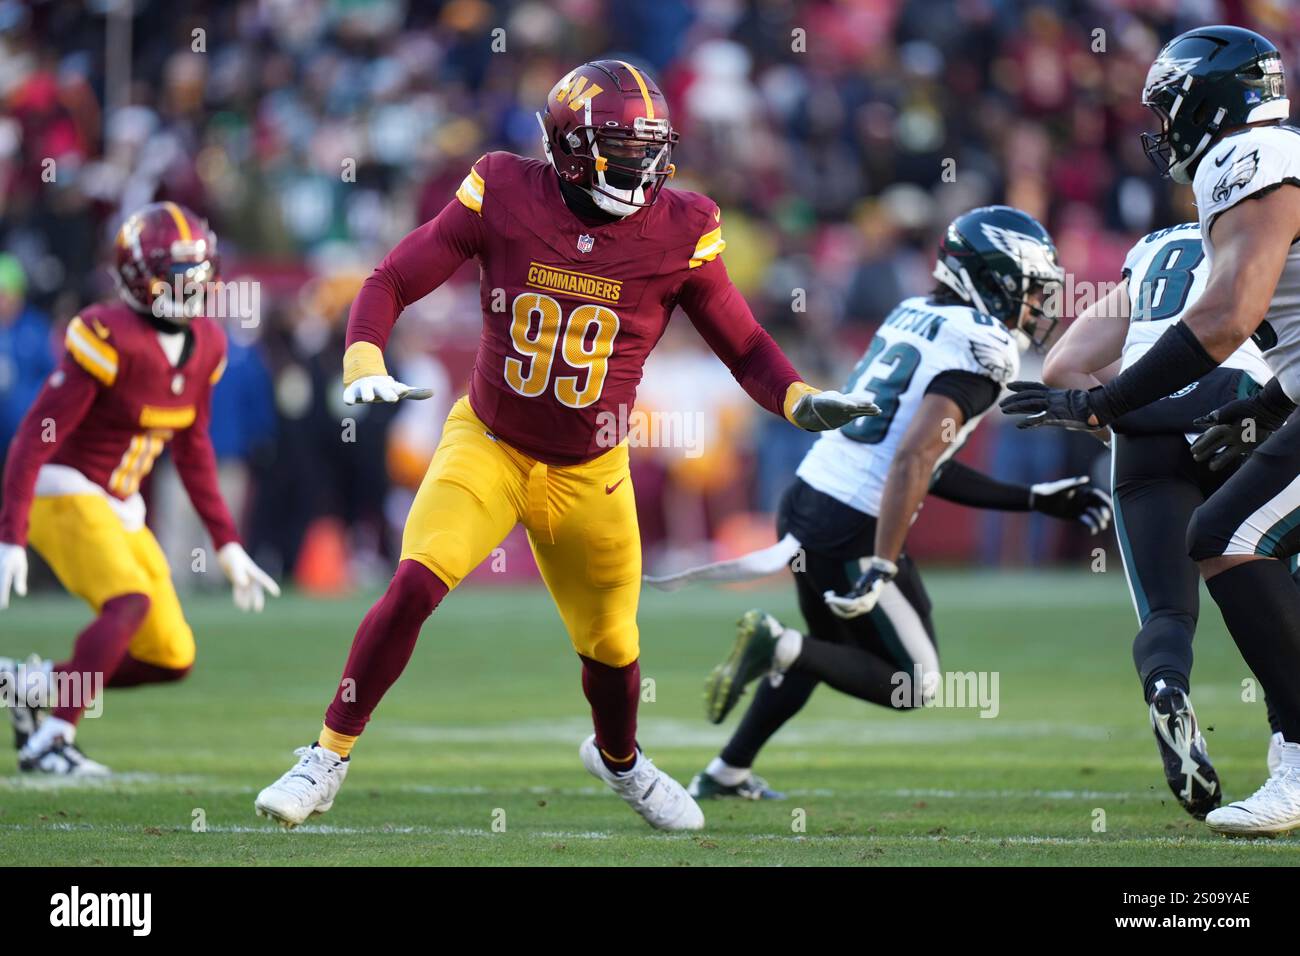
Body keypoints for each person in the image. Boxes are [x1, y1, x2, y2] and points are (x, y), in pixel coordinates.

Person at [253, 60, 879, 831]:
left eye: (653, 145)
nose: (645, 164)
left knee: (613, 645)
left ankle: (621, 761)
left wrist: (798, 399)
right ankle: (325, 756)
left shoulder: (683, 225)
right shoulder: (504, 189)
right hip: (489, 443)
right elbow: (390, 279)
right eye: (625, 146)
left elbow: (744, 345)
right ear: (572, 147)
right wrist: (363, 357)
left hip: (591, 471)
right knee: (414, 583)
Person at [647, 207, 1111, 800]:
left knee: (826, 653)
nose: (1035, 305)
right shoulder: (982, 347)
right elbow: (913, 460)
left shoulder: (913, 313)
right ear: (989, 278)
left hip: (812, 499)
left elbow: (920, 458)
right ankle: (777, 643)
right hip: (854, 525)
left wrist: (1032, 498)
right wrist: (883, 561)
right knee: (914, 683)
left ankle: (726, 771)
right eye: (1027, 288)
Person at [1001, 26, 1300, 835]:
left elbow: (1226, 315)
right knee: (1233, 537)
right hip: (1267, 399)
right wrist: (1263, 408)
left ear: (1214, 100)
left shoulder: (1255, 160)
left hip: (1153, 433)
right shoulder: (1256, 173)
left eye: (1171, 105)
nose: (1164, 125)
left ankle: (1295, 754)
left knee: (1225, 539)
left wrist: (1107, 404)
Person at [0, 202, 280, 774]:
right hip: (66, 489)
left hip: (120, 506)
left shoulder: (208, 344)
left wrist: (226, 544)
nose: (194, 285)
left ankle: (26, 685)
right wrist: (11, 534)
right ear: (140, 276)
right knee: (129, 603)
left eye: (200, 272)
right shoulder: (109, 334)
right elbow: (34, 436)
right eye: (180, 273)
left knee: (170, 656)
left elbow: (194, 446)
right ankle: (53, 738)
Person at [1043, 221, 1281, 817]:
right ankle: (1289, 750)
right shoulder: (1271, 221)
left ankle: (1168, 690)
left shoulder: (1152, 248)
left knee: (1167, 611)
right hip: (1243, 406)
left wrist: (1120, 430)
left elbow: (1063, 366)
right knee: (1280, 592)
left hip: (1143, 417)